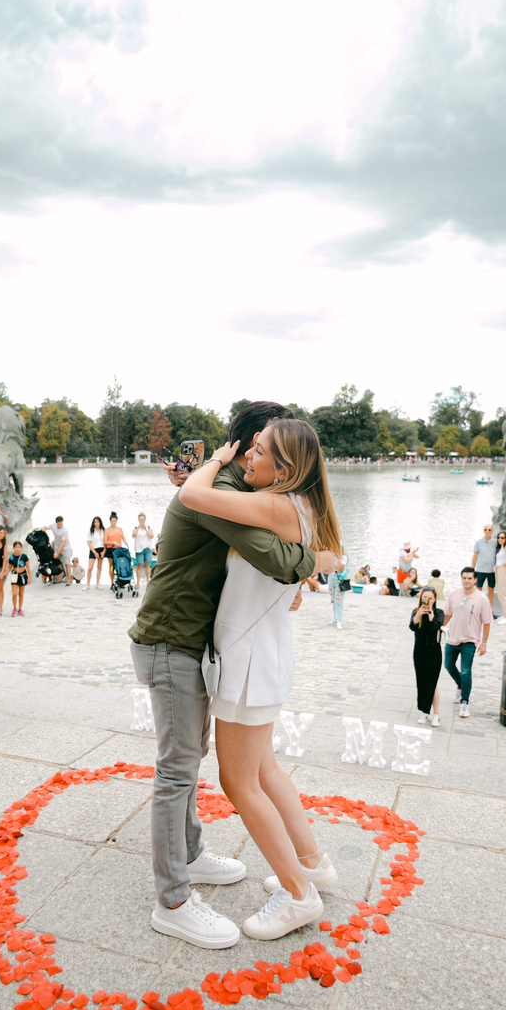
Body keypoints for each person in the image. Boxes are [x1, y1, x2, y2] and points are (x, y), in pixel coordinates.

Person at [129, 401, 335, 950]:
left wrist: (313, 562)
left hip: (200, 644)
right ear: (249, 448)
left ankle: (192, 857)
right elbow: (279, 559)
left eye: (272, 448)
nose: (258, 455)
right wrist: (317, 563)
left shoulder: (238, 492)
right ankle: (173, 899)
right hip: (173, 638)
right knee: (180, 770)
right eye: (261, 444)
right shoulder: (230, 494)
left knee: (195, 762)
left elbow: (282, 553)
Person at [179, 418, 341, 941]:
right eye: (249, 447)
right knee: (266, 769)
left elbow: (193, 495)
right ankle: (312, 863)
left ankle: (298, 895)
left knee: (238, 781)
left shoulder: (275, 505)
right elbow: (325, 560)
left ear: (286, 469)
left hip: (248, 658)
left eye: (259, 451)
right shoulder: (303, 506)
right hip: (263, 651)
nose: (249, 455)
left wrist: (214, 460)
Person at [443, 567, 493, 718]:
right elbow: (447, 614)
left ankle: (465, 702)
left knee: (466, 671)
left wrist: (483, 643)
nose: (467, 580)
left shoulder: (482, 599)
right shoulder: (454, 594)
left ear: (476, 579)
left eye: (470, 578)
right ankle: (461, 687)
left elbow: (487, 622)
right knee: (448, 665)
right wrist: (441, 629)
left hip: (470, 641)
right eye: (464, 578)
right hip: (453, 639)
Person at [410, 587, 444, 727]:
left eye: (430, 598)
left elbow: (435, 626)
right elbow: (412, 626)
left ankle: (436, 714)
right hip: (419, 650)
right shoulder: (415, 611)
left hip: (434, 651)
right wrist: (418, 614)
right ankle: (424, 711)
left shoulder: (438, 612)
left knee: (433, 683)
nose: (427, 600)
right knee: (421, 682)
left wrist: (430, 612)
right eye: (425, 598)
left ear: (434, 599)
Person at [472, 524, 497, 607]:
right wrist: (472, 569)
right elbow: (475, 556)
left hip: (491, 571)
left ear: (492, 531)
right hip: (480, 570)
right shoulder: (478, 542)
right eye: (485, 529)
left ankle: (489, 610)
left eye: (489, 530)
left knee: (491, 590)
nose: (487, 531)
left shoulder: (496, 542)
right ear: (483, 531)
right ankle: (477, 608)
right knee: (478, 590)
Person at [44, 516, 72, 585]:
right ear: (56, 523)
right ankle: (59, 579)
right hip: (57, 547)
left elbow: (63, 543)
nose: (60, 525)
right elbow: (46, 527)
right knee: (58, 563)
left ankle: (69, 580)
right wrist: (43, 528)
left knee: (67, 564)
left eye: (61, 524)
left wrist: (57, 553)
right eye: (58, 524)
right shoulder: (53, 526)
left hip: (66, 548)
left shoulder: (65, 530)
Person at [5, 541, 31, 615]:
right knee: (14, 593)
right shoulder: (12, 557)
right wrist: (5, 573)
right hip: (14, 574)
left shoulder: (24, 556)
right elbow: (9, 567)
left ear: (21, 548)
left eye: (19, 547)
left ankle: (20, 608)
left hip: (22, 574)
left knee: (21, 593)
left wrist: (29, 578)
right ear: (13, 548)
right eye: (16, 547)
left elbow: (28, 567)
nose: (17, 549)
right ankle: (14, 608)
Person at [104, 512, 129, 582]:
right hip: (110, 549)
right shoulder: (107, 530)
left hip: (119, 550)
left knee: (119, 564)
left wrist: (125, 541)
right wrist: (113, 542)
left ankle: (120, 580)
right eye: (112, 521)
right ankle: (112, 582)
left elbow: (123, 538)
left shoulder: (120, 529)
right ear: (110, 521)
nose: (113, 523)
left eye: (115, 521)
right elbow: (105, 542)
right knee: (112, 566)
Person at [133, 513, 155, 587]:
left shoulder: (148, 527)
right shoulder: (136, 527)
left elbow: (151, 536)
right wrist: (139, 527)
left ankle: (148, 581)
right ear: (138, 519)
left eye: (143, 519)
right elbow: (133, 535)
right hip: (139, 549)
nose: (142, 521)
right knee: (139, 565)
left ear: (145, 519)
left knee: (147, 565)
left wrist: (145, 529)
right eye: (140, 519)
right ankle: (138, 582)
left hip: (147, 548)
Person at [327, 556, 348, 629]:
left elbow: (339, 568)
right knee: (333, 600)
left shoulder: (343, 557)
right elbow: (326, 568)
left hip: (339, 579)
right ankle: (335, 618)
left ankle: (339, 620)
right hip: (331, 578)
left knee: (338, 600)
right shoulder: (331, 555)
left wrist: (338, 558)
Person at [86, 517, 106, 588]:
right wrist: (94, 552)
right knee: (90, 568)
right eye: (95, 522)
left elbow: (105, 542)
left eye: (98, 522)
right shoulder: (91, 531)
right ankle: (88, 584)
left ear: (100, 522)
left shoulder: (103, 530)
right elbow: (89, 543)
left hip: (101, 549)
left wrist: (104, 551)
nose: (96, 523)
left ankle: (98, 583)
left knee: (99, 567)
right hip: (93, 549)